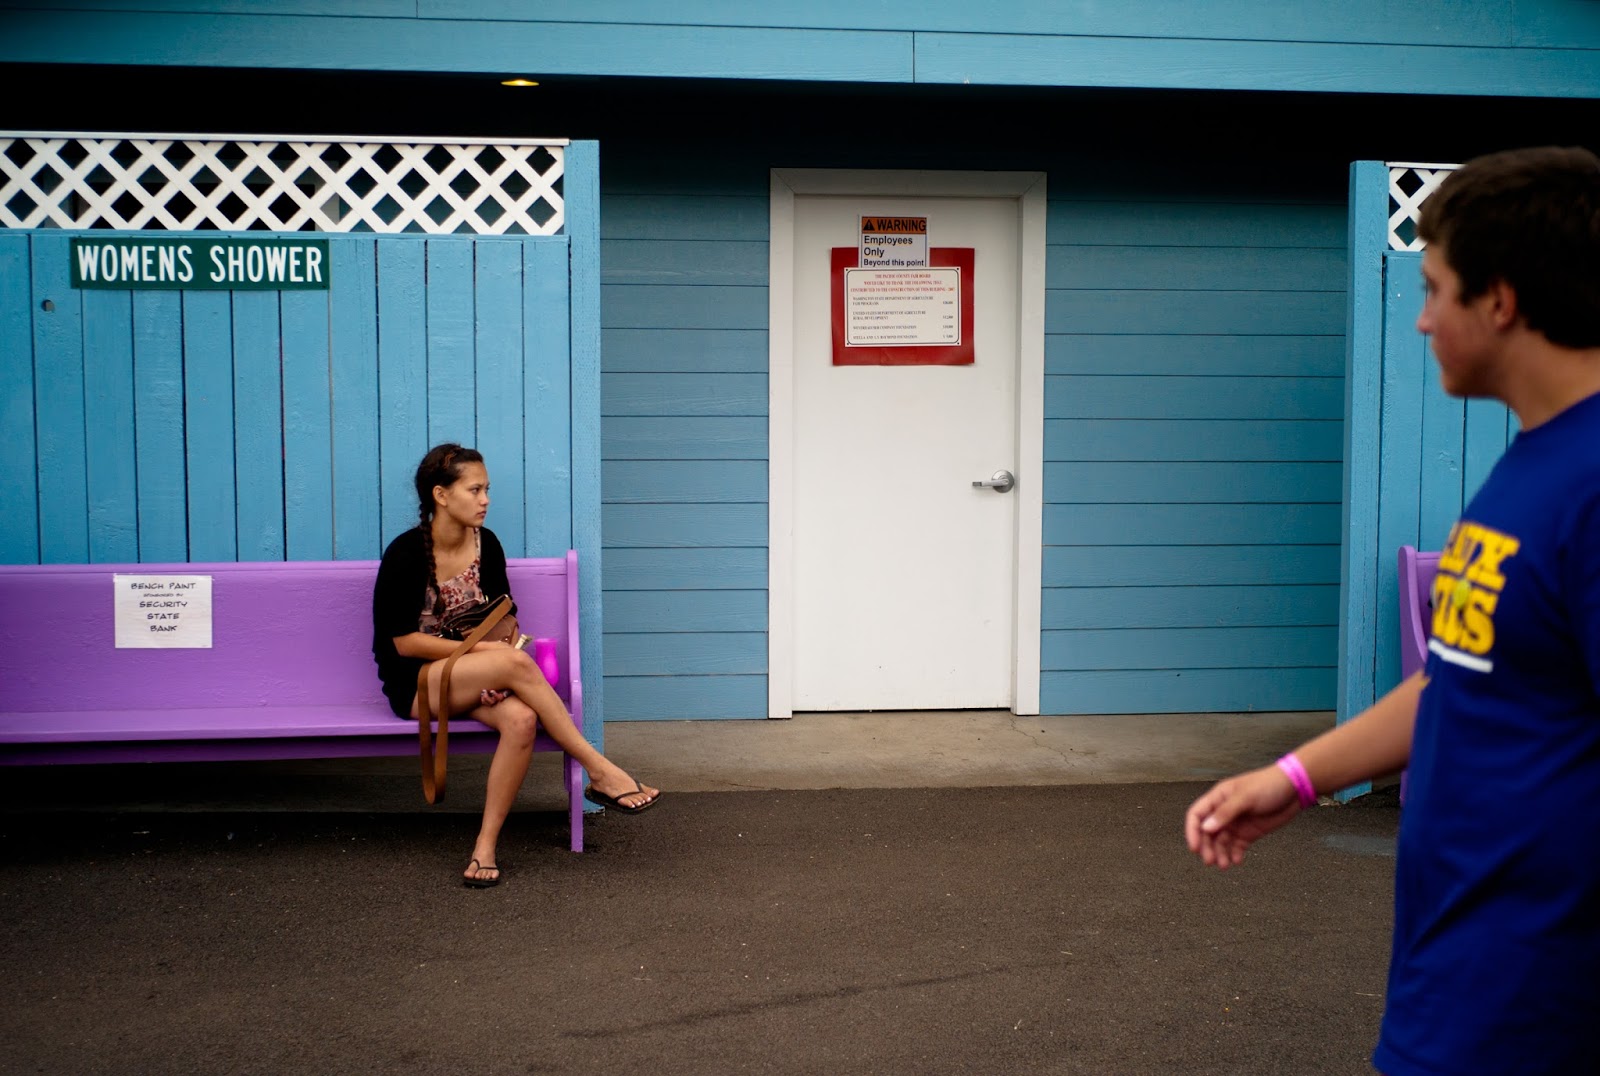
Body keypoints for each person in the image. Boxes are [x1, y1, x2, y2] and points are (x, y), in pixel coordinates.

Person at [1185, 146, 1600, 1075]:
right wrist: (1294, 777)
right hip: (1457, 974)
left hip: (1541, 1003)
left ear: (1498, 299)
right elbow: (1463, 680)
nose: (1419, 320)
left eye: (1434, 288)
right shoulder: (1532, 461)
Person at [373, 443, 660, 888]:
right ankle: (599, 769)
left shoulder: (486, 545)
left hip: (474, 677)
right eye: (474, 489)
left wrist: (494, 670)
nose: (485, 499)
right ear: (441, 495)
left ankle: (485, 846)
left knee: (523, 720)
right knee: (510, 662)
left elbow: (503, 619)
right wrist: (485, 658)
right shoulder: (406, 554)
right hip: (418, 685)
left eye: (487, 488)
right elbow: (404, 643)